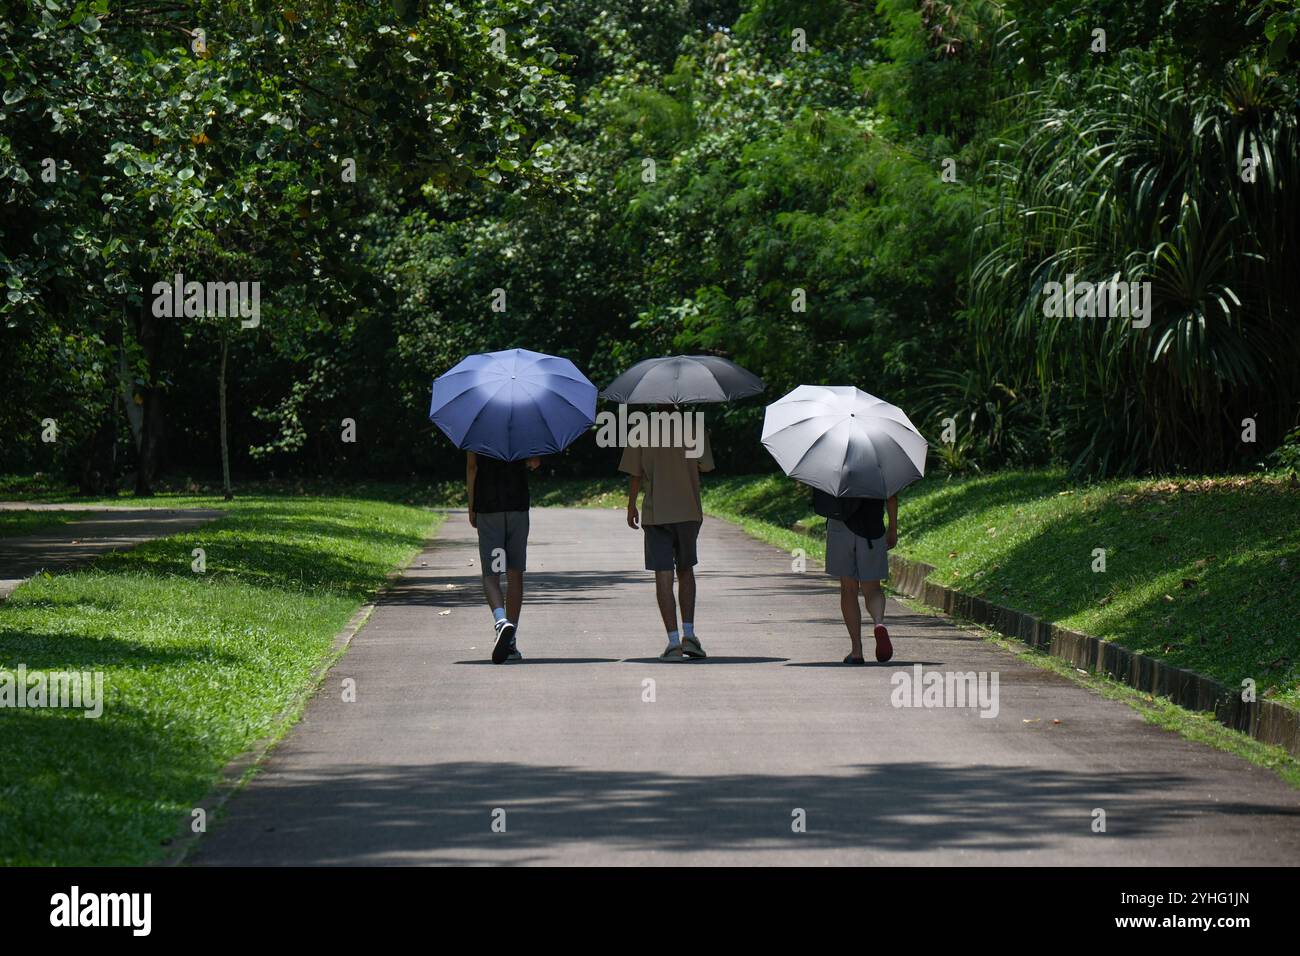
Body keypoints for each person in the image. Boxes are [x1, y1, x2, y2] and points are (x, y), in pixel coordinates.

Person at [619, 415, 715, 660]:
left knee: (663, 574)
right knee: (686, 570)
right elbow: (705, 465)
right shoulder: (694, 427)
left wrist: (631, 506)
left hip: (656, 512)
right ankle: (690, 636)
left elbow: (635, 473)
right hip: (688, 509)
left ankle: (673, 642)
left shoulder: (641, 429)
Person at [467, 451, 540, 664]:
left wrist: (472, 506)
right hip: (517, 507)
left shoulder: (476, 426)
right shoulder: (524, 426)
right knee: (515, 573)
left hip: (489, 510)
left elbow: (472, 468)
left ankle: (501, 621)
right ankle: (511, 641)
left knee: (492, 573)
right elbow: (534, 462)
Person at [812, 489, 897, 664]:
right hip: (872, 528)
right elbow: (891, 497)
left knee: (849, 589)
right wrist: (893, 529)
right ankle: (879, 622)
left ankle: (856, 651)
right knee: (873, 588)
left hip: (840, 526)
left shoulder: (834, 463)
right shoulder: (881, 464)